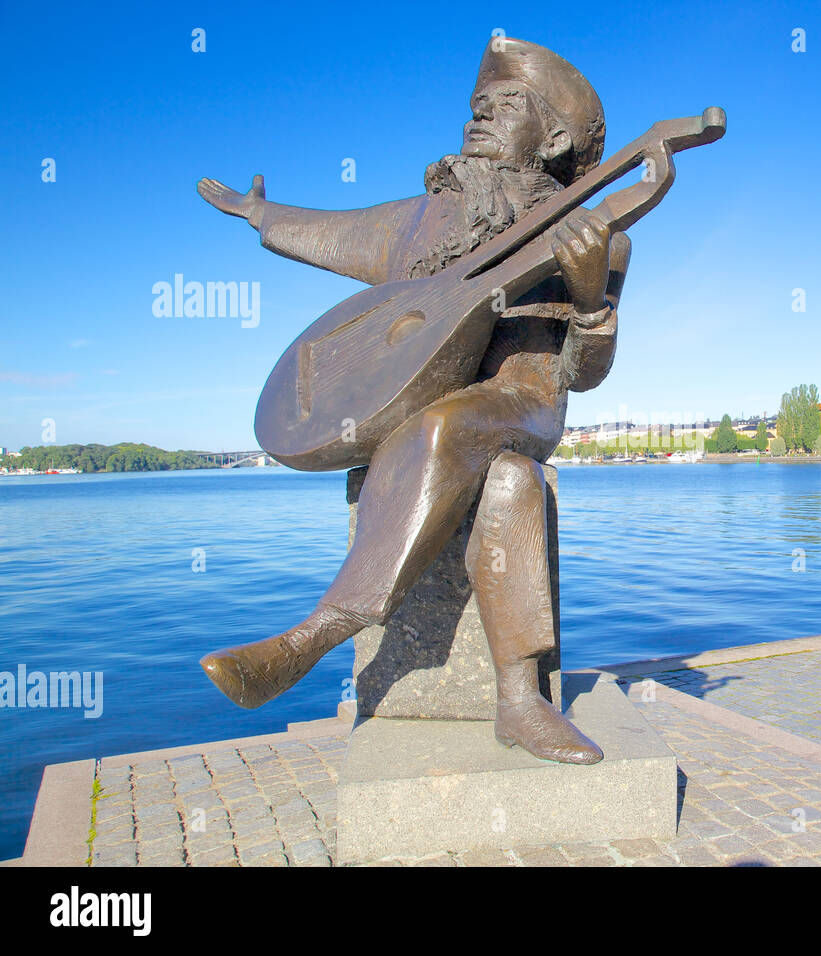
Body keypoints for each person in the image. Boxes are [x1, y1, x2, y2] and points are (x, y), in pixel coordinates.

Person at [196, 37, 629, 765]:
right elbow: (332, 229)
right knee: (507, 479)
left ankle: (316, 634)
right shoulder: (426, 218)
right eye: (476, 106)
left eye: (506, 106)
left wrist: (590, 304)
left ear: (553, 137)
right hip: (442, 413)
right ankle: (519, 700)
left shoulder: (596, 232)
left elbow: (584, 375)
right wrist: (261, 215)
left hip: (526, 401)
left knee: (444, 429)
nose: (480, 118)